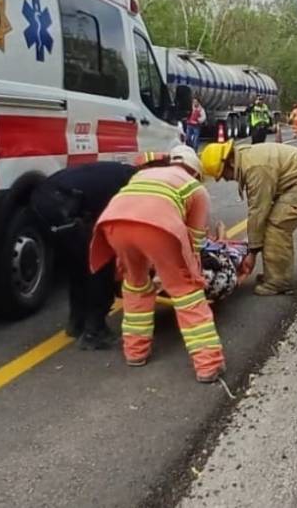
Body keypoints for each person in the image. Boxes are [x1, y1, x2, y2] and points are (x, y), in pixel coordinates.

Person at [88, 145, 224, 383]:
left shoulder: (144, 174)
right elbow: (195, 241)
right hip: (157, 229)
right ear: (196, 171)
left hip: (113, 224)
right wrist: (188, 272)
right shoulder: (196, 188)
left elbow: (134, 207)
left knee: (136, 286)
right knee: (186, 294)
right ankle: (208, 365)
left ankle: (135, 352)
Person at [200, 140, 297, 295]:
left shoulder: (256, 168)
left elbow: (258, 211)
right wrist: (254, 247)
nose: (226, 179)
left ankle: (278, 282)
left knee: (276, 225)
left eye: (223, 174)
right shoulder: (245, 157)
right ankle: (275, 274)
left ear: (229, 163)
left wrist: (252, 253)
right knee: (271, 221)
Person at [30, 160, 137, 350]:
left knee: (77, 264)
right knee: (101, 263)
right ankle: (94, 332)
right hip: (65, 205)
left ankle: (77, 323)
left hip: (43, 200)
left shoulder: (117, 172)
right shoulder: (131, 186)